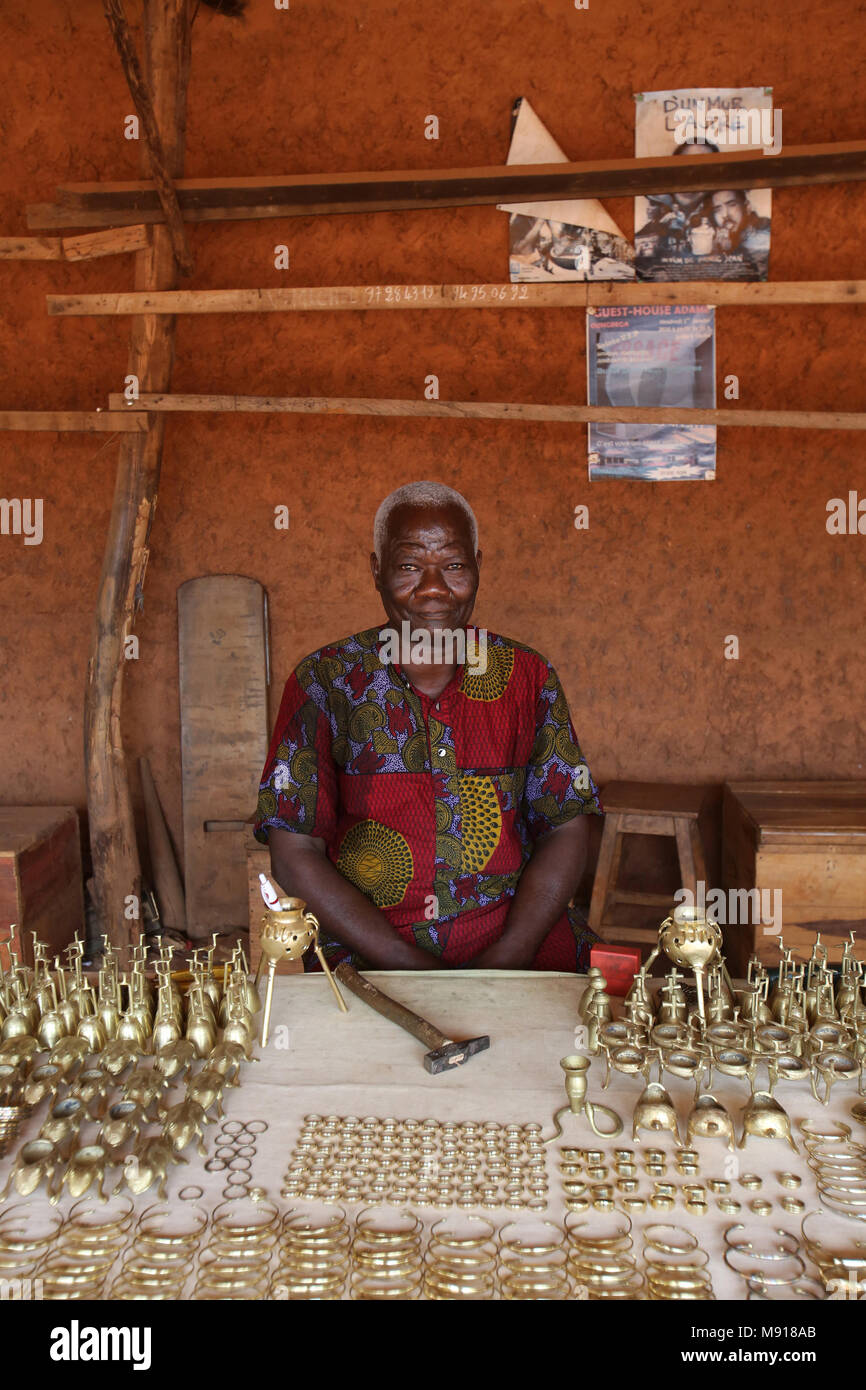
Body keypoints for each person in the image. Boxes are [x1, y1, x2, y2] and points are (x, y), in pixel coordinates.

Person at [253, 481, 603, 972]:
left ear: (478, 566)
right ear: (376, 570)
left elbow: (565, 827)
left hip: (514, 939)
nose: (434, 588)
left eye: (454, 566)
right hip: (368, 950)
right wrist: (407, 964)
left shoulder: (528, 676)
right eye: (409, 566)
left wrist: (510, 957)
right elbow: (294, 850)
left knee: (578, 1038)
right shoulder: (325, 682)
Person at [710, 189, 771, 259]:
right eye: (717, 210)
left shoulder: (762, 242)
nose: (725, 215)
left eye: (732, 205)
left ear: (747, 207)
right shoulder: (715, 243)